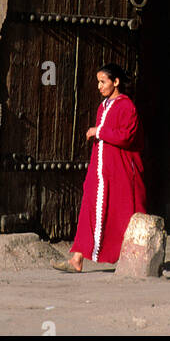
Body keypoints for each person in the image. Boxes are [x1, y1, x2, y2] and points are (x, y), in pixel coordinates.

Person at [54, 63, 146, 271]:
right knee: (89, 210)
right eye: (98, 82)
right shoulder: (102, 106)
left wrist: (99, 131)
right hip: (100, 171)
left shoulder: (127, 106)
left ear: (116, 82)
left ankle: (132, 259)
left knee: (120, 215)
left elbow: (126, 136)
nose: (99, 86)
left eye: (103, 82)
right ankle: (77, 258)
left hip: (120, 172)